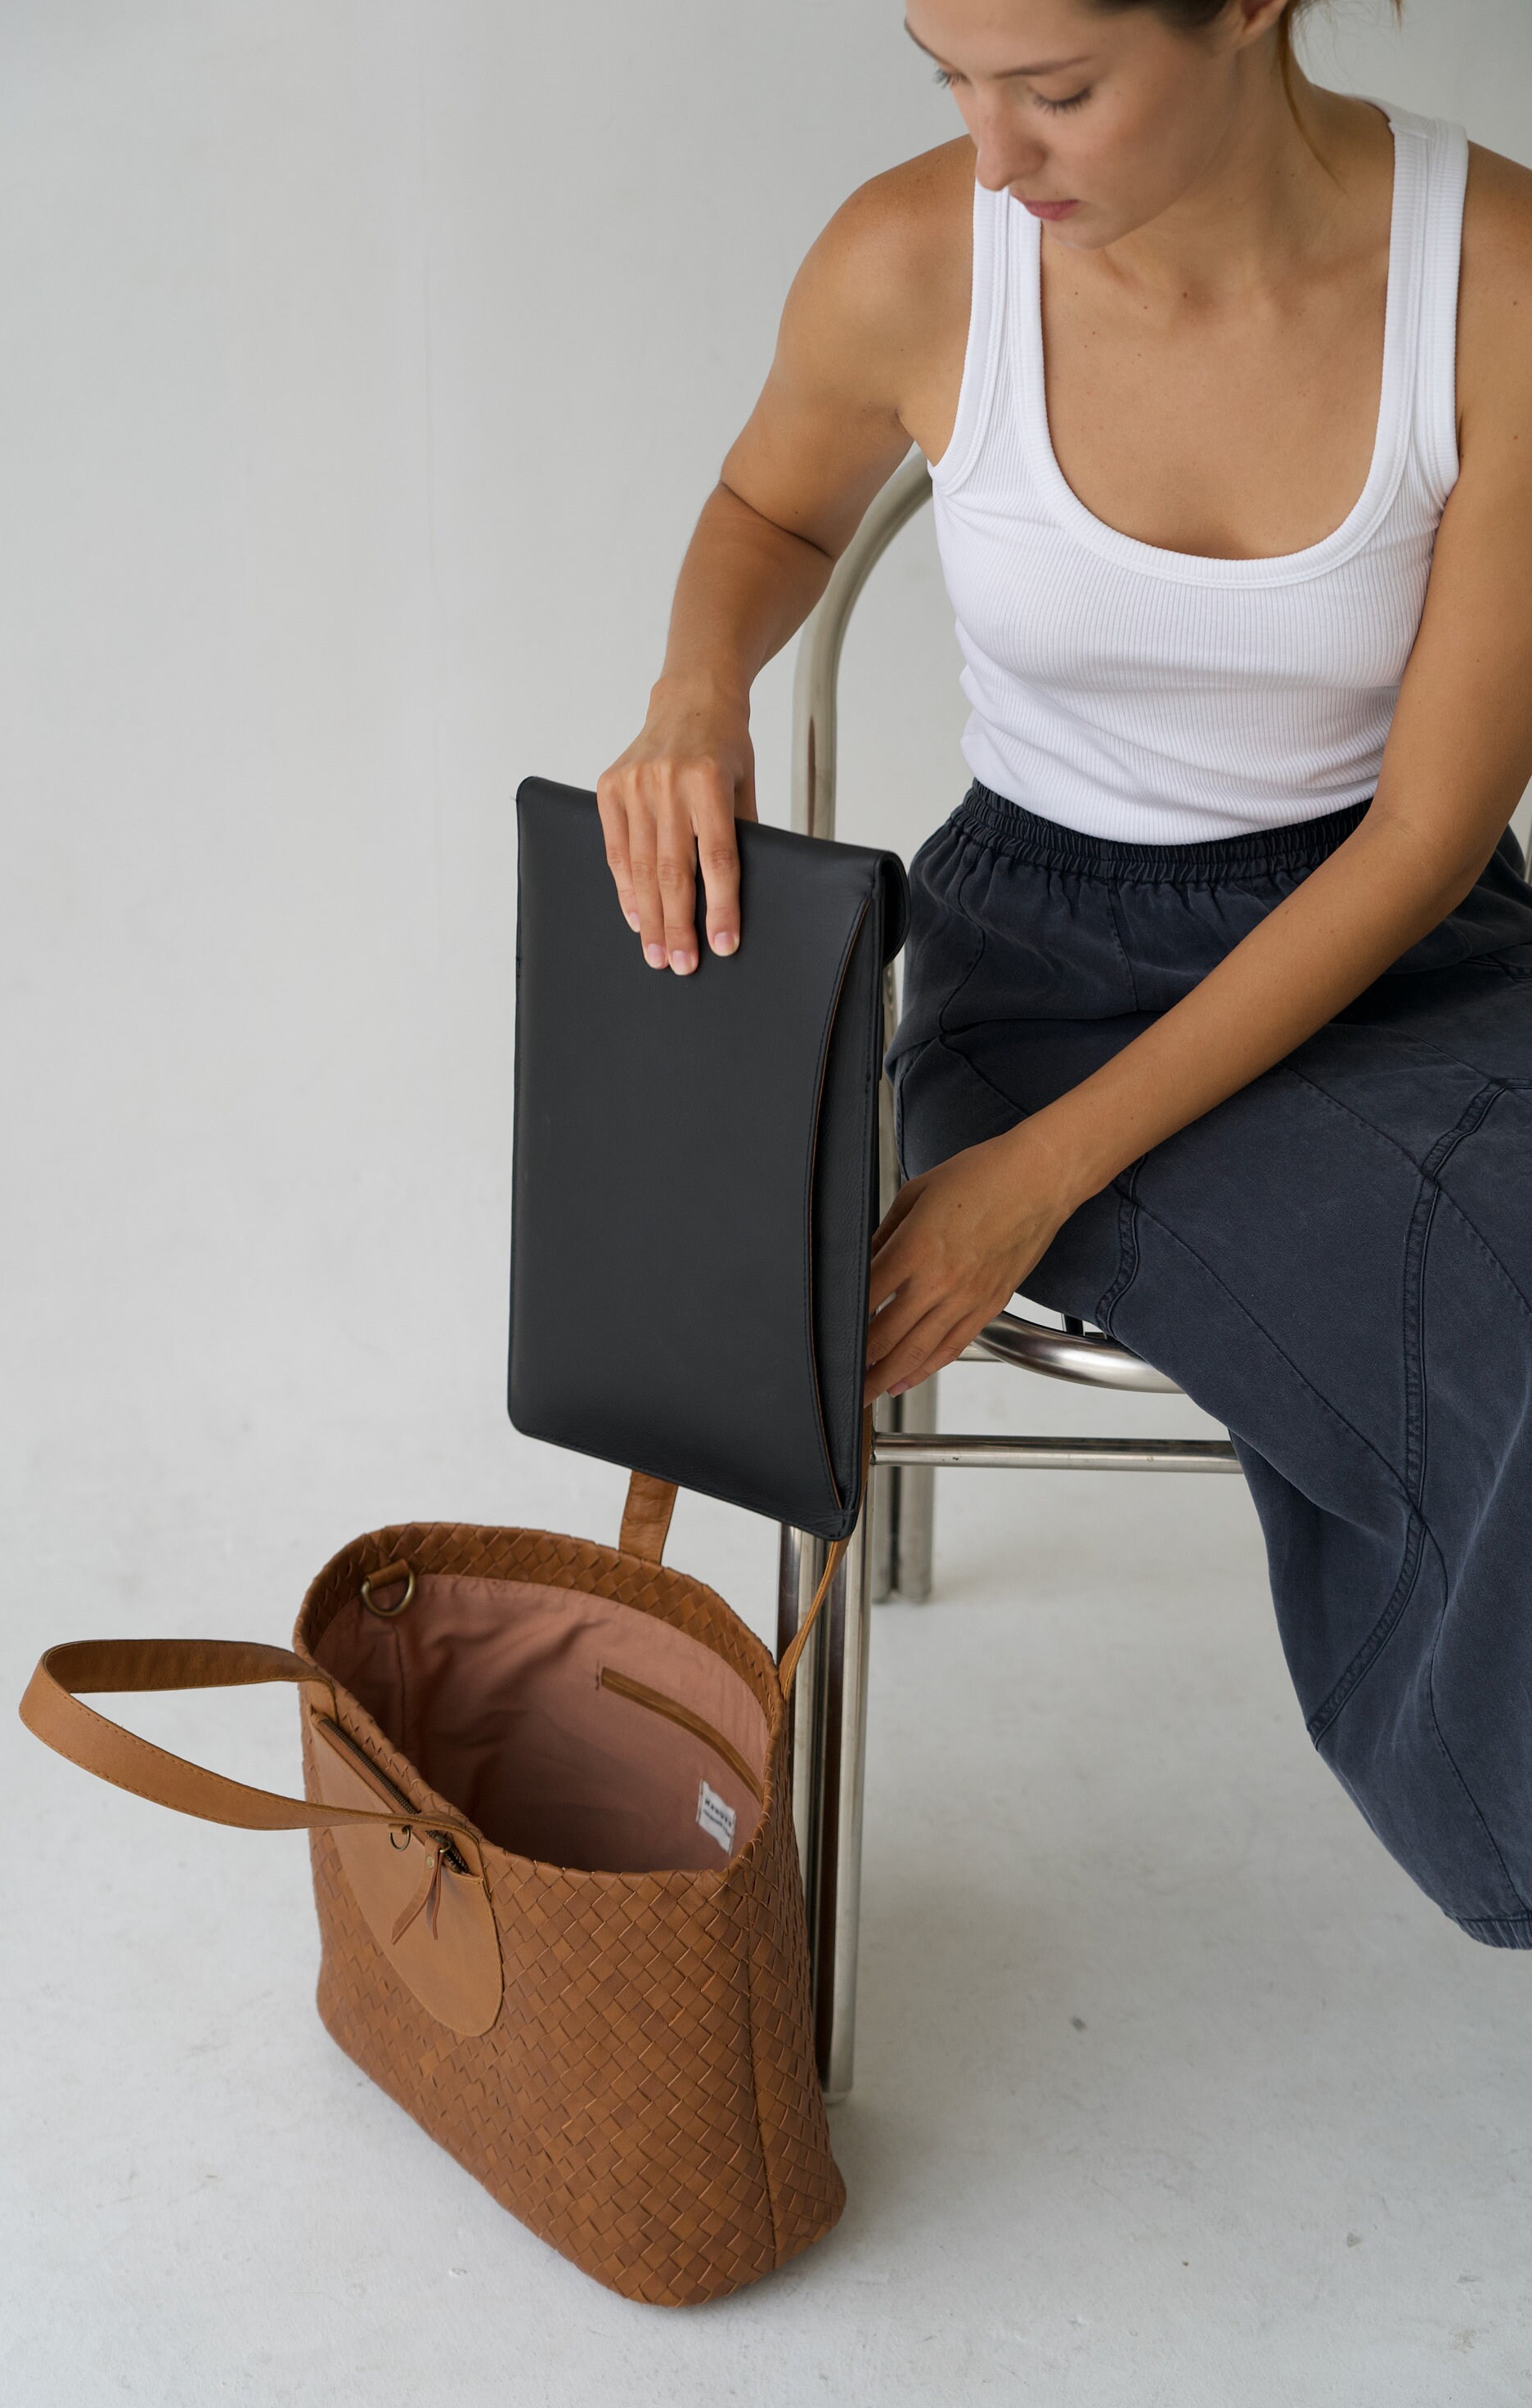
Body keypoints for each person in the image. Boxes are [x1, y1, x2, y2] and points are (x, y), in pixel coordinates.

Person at [595, 0, 1532, 1948]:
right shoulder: (913, 258)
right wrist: (696, 690)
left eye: (1059, 87)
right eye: (947, 77)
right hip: (1046, 977)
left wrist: (1034, 1188)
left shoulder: (1498, 286)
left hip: (1406, 955)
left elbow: (1424, 840)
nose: (996, 152)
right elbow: (772, 509)